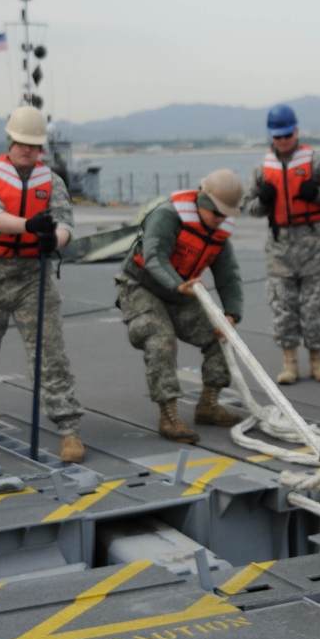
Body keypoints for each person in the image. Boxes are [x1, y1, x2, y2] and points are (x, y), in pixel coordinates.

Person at [0, 106, 86, 463]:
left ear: (41, 148)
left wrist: (54, 239)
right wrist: (29, 227)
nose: (27, 149)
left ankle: (69, 429)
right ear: (10, 141)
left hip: (32, 277)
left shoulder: (52, 181)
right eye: (22, 142)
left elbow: (66, 223)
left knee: (50, 356)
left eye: (34, 144)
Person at [115, 170, 246, 443]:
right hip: (141, 287)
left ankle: (208, 404)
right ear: (203, 200)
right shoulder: (167, 216)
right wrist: (177, 285)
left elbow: (229, 276)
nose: (220, 219)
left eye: (226, 215)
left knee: (222, 335)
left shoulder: (218, 233)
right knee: (160, 339)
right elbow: (153, 257)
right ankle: (169, 415)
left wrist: (232, 314)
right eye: (217, 213)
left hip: (181, 291)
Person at [241, 104, 320, 385]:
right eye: (278, 136)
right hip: (279, 251)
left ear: (296, 131)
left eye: (287, 135)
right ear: (271, 136)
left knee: (314, 308)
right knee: (283, 308)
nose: (283, 140)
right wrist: (263, 200)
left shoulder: (316, 163)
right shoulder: (262, 169)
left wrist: (317, 194)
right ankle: (289, 364)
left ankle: (317, 362)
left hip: (314, 249)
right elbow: (249, 207)